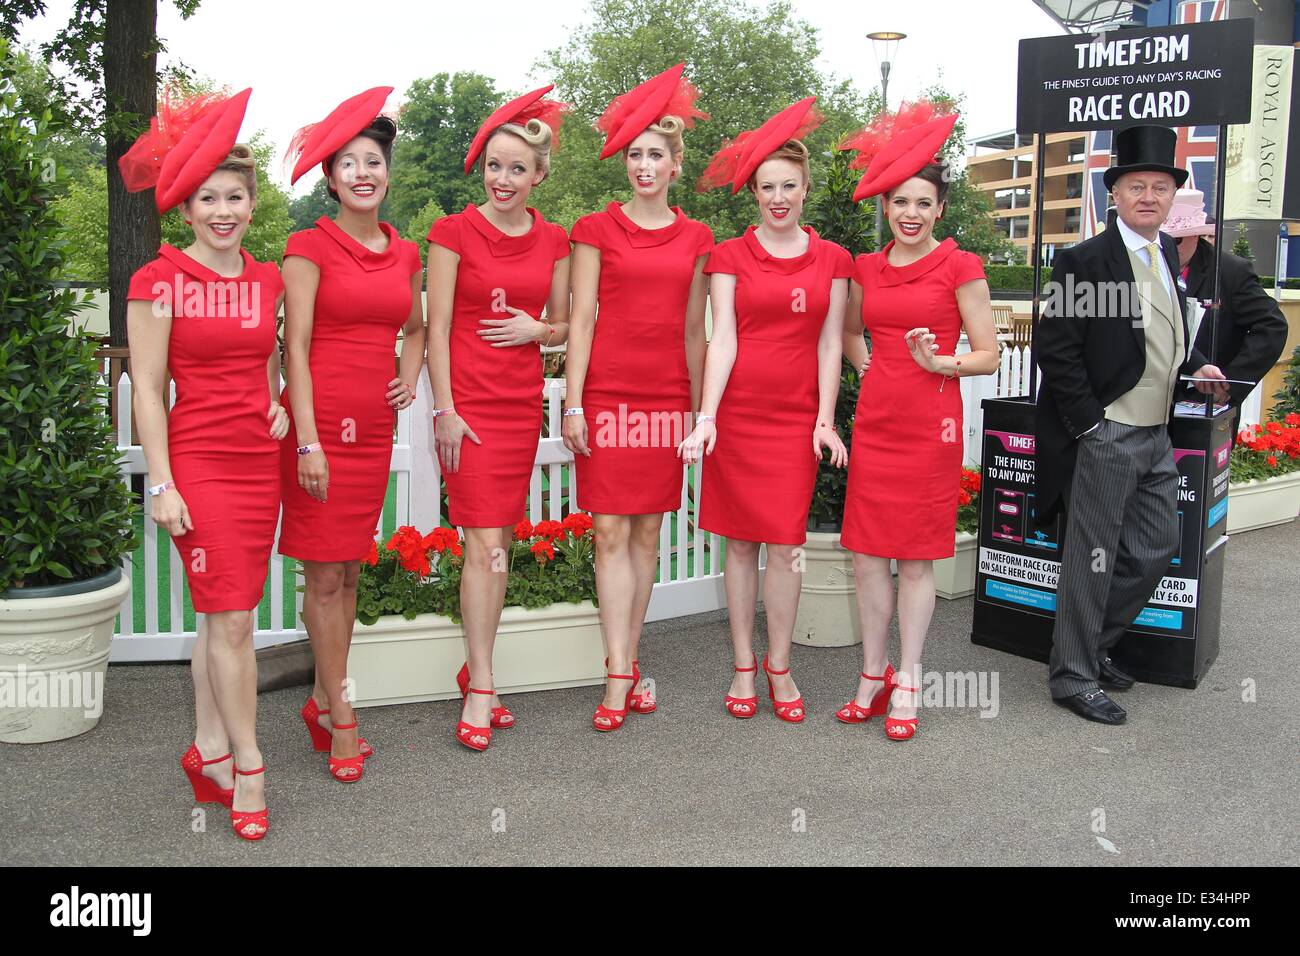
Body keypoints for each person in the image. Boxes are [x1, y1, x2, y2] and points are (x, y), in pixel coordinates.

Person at [122, 88, 284, 840]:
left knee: (222, 620)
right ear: (186, 210)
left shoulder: (266, 280)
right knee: (233, 621)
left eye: (236, 198)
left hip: (260, 464)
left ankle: (210, 747)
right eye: (208, 199)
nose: (224, 211)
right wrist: (162, 483)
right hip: (199, 465)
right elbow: (148, 391)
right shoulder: (159, 282)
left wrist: (280, 403)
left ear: (253, 205)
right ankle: (249, 767)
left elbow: (267, 367)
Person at [1036, 125, 1224, 725]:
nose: (1149, 196)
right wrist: (1089, 425)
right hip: (1108, 432)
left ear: (1173, 198)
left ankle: (1087, 645)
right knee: (1092, 555)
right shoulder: (1085, 260)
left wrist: (1197, 364)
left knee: (1153, 550)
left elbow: (1164, 332)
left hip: (1156, 435)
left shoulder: (1166, 254)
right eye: (1137, 186)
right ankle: (1072, 676)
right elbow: (1057, 349)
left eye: (1161, 187)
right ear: (1114, 194)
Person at [681, 98, 850, 722]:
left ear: (806, 189)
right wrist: (707, 417)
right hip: (739, 418)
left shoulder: (833, 260)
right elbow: (722, 338)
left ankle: (780, 665)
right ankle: (744, 666)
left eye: (789, 186)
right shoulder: (729, 255)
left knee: (786, 544)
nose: (777, 198)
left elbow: (831, 341)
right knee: (740, 546)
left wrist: (825, 418)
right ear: (753, 192)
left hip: (794, 421)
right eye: (766, 187)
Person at [837, 103, 1001, 740]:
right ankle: (871, 675)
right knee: (867, 557)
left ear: (940, 210)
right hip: (877, 421)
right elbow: (852, 331)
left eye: (922, 203)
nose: (909, 213)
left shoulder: (961, 266)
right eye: (899, 201)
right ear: (887, 206)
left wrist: (944, 362)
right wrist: (868, 365)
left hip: (931, 424)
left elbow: (987, 353)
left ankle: (909, 676)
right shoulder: (866, 268)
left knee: (915, 559)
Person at [280, 88, 425, 777]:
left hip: (373, 428)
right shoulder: (307, 246)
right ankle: (341, 718)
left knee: (349, 570)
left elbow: (417, 328)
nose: (363, 173)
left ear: (386, 173)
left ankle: (319, 697)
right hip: (320, 428)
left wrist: (411, 373)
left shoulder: (405, 252)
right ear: (330, 179)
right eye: (349, 165)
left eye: (373, 161)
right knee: (326, 575)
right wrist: (306, 440)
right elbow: (294, 348)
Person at [563, 63, 712, 731]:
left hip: (666, 399)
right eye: (635, 154)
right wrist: (572, 402)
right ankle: (618, 673)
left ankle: (627, 662)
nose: (644, 165)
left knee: (648, 531)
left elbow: (694, 330)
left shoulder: (697, 238)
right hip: (607, 396)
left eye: (656, 154)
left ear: (676, 164)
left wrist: (700, 410)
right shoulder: (595, 229)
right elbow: (582, 319)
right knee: (608, 530)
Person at [426, 86, 572, 751]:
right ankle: (483, 685)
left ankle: (473, 668)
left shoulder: (556, 241)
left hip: (518, 410)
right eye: (494, 165)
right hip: (470, 411)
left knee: (498, 546)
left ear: (539, 175)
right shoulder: (453, 233)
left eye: (517, 168)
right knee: (484, 547)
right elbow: (435, 330)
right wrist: (445, 409)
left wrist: (538, 328)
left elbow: (570, 324)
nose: (503, 178)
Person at [1163, 188, 1287, 437]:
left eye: (1176, 239)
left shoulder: (1229, 271)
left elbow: (1272, 326)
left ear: (1196, 236)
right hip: (1147, 411)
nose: (1167, 245)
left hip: (1205, 408)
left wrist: (1229, 383)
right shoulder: (1143, 267)